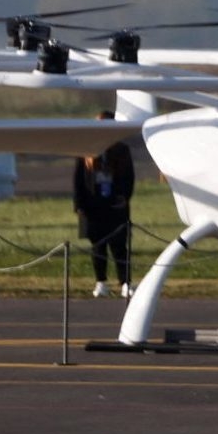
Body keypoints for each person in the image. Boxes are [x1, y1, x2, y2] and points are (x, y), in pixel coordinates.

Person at [73, 119, 136, 299]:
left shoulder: (122, 150)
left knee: (119, 247)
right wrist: (79, 206)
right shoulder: (86, 151)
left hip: (115, 206)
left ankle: (125, 282)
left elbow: (129, 178)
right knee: (98, 246)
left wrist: (124, 197)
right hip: (94, 207)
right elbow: (78, 180)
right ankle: (101, 282)